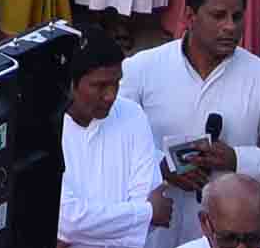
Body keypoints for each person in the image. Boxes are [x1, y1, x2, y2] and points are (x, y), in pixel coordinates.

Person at [121, 0, 260, 234]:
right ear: (190, 16)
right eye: (218, 16)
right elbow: (115, 145)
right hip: (154, 233)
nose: (230, 26)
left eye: (237, 17)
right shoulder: (141, 69)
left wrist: (237, 159)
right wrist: (160, 167)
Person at [62, 33, 185, 248]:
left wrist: (80, 232)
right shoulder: (44, 131)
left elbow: (155, 219)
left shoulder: (132, 115)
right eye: (100, 86)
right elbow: (67, 222)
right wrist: (146, 212)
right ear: (71, 85)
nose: (111, 95)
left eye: (116, 83)